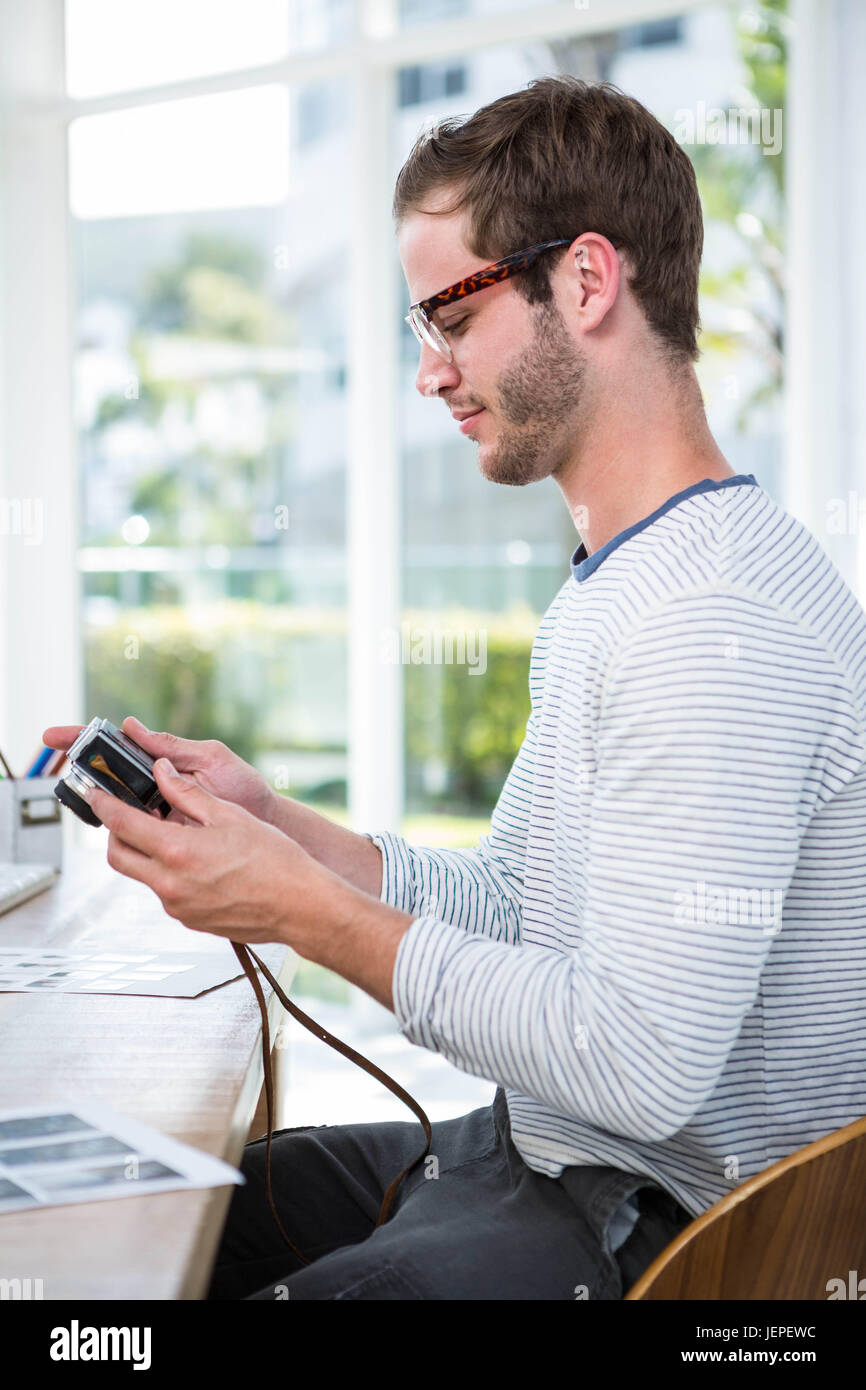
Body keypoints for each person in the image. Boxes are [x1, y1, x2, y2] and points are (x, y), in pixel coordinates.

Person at [44, 76, 866, 1301]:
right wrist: (283, 832)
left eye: (449, 316)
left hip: (663, 1238)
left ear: (585, 282)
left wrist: (300, 913)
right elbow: (511, 907)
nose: (429, 373)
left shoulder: (714, 619)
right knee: (193, 1211)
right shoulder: (619, 581)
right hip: (538, 1152)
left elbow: (637, 1062)